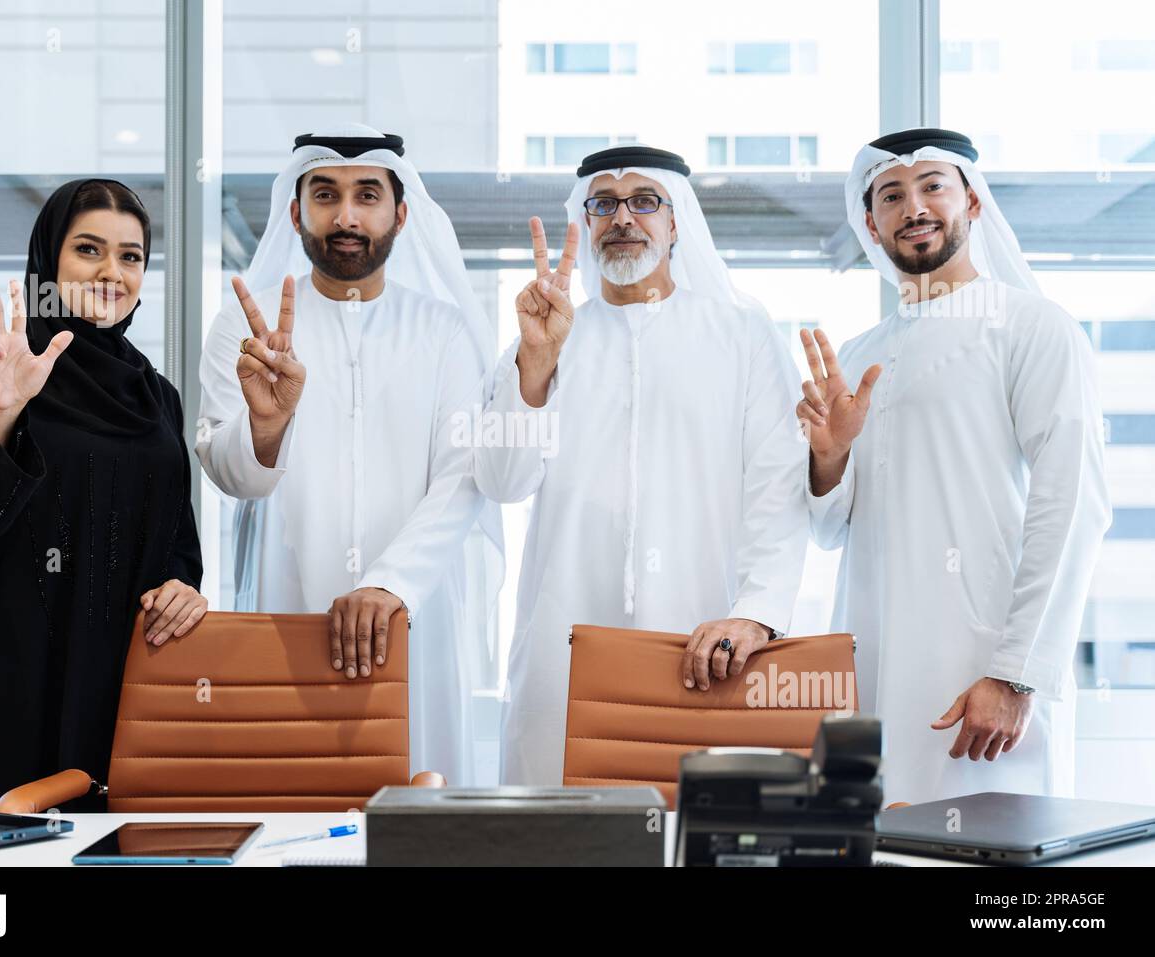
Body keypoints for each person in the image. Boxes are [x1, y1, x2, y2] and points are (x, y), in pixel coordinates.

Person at [474, 145, 808, 785]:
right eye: (603, 204)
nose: (622, 217)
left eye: (644, 201)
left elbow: (778, 484)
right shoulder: (543, 338)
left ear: (676, 221)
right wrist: (536, 366)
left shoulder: (740, 333)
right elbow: (501, 481)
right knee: (562, 845)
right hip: (562, 650)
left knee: (695, 840)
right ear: (587, 221)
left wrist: (759, 609)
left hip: (705, 645)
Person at [799, 128, 1111, 804]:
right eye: (891, 195)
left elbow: (1073, 503)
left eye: (932, 186)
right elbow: (830, 527)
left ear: (971, 204)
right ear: (872, 227)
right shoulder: (857, 353)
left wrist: (1017, 672)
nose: (914, 207)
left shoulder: (1033, 327)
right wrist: (828, 457)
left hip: (984, 676)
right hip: (874, 667)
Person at [196, 125, 503, 785]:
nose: (346, 216)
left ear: (400, 213)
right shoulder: (244, 329)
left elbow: (463, 475)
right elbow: (230, 476)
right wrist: (267, 425)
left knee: (419, 825)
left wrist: (390, 582)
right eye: (325, 194)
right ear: (295, 211)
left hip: (413, 618)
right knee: (286, 810)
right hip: (287, 610)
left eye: (367, 194)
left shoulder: (444, 329)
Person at [0, 178, 205, 812]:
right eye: (89, 249)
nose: (112, 272)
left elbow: (178, 544)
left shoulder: (157, 398)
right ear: (50, 259)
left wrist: (184, 588)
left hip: (131, 681)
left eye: (131, 256)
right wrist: (2, 415)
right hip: (15, 674)